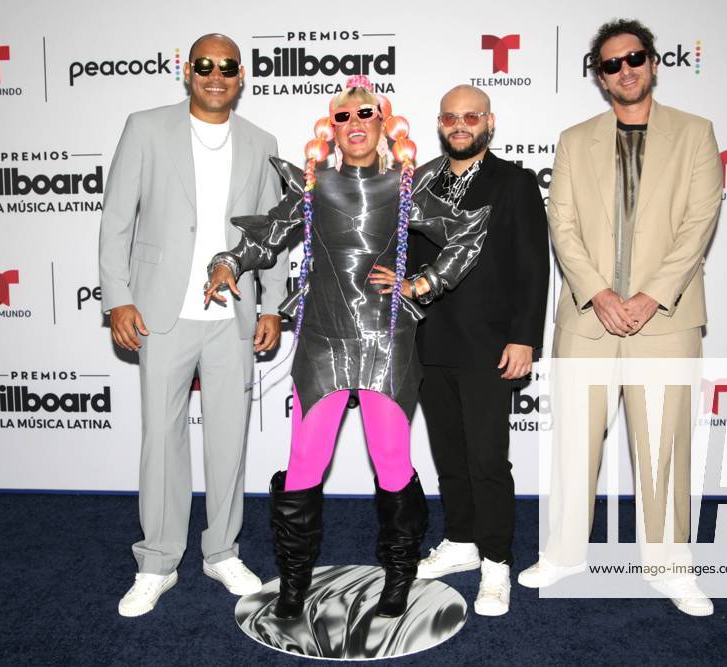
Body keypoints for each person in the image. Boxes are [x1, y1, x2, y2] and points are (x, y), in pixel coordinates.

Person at [205, 75, 489, 619]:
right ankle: (293, 584)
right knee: (304, 466)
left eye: (365, 115)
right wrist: (228, 262)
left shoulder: (405, 188)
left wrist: (421, 282)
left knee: (391, 465)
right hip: (320, 343)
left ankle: (398, 579)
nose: (355, 124)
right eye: (343, 117)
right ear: (330, 129)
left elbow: (468, 233)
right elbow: (263, 239)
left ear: (384, 123)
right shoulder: (312, 189)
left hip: (387, 343)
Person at [517, 19, 723, 617]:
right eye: (611, 64)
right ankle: (563, 552)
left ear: (653, 63)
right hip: (588, 317)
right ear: (600, 77)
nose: (625, 70)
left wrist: (651, 296)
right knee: (576, 442)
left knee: (664, 444)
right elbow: (564, 225)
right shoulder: (574, 139)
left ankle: (669, 565)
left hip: (668, 318)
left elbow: (698, 225)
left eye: (634, 58)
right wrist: (599, 293)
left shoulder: (695, 133)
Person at [99, 33, 288, 618]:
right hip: (160, 313)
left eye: (227, 67)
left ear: (241, 75)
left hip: (232, 314)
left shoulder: (262, 142)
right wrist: (118, 299)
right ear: (187, 71)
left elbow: (270, 236)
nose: (215, 75)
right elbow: (116, 221)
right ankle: (157, 561)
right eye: (204, 65)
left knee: (229, 441)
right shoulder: (145, 126)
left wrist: (273, 305)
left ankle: (221, 552)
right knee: (162, 439)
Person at [399, 85, 548, 617]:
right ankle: (461, 541)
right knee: (450, 456)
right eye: (450, 118)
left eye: (470, 117)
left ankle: (496, 563)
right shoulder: (418, 182)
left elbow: (532, 267)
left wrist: (525, 336)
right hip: (429, 340)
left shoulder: (515, 182)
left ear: (489, 121)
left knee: (488, 461)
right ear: (439, 123)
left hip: (489, 344)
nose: (459, 125)